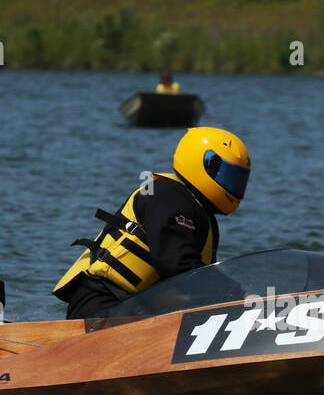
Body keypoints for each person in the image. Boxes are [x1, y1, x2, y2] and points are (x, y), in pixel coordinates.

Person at [53, 127, 251, 320]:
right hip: (102, 306)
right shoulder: (168, 196)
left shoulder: (193, 206)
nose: (232, 184)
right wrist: (237, 295)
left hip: (135, 309)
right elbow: (177, 264)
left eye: (237, 178)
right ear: (201, 162)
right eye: (226, 175)